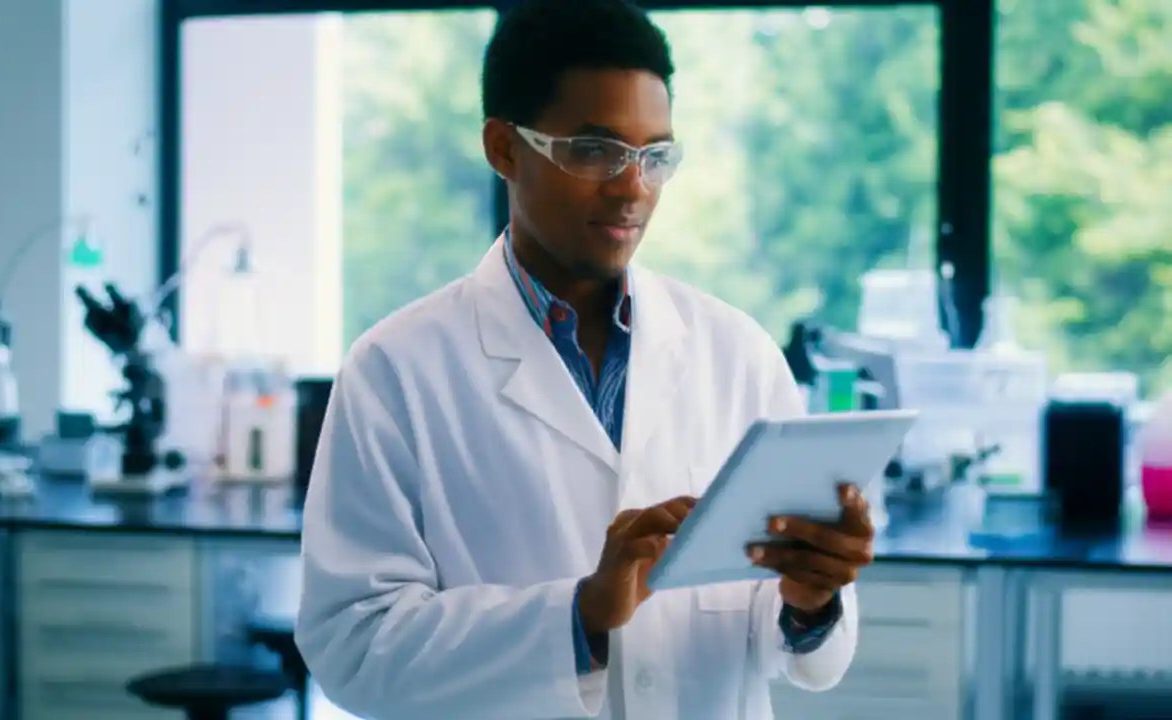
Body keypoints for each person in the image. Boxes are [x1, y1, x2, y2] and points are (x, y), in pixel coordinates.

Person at [295, 0, 874, 718]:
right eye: (595, 151)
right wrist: (579, 618)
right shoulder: (395, 370)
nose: (633, 187)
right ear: (504, 148)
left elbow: (788, 643)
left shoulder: (739, 355)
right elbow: (353, 645)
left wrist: (812, 600)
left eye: (654, 155)